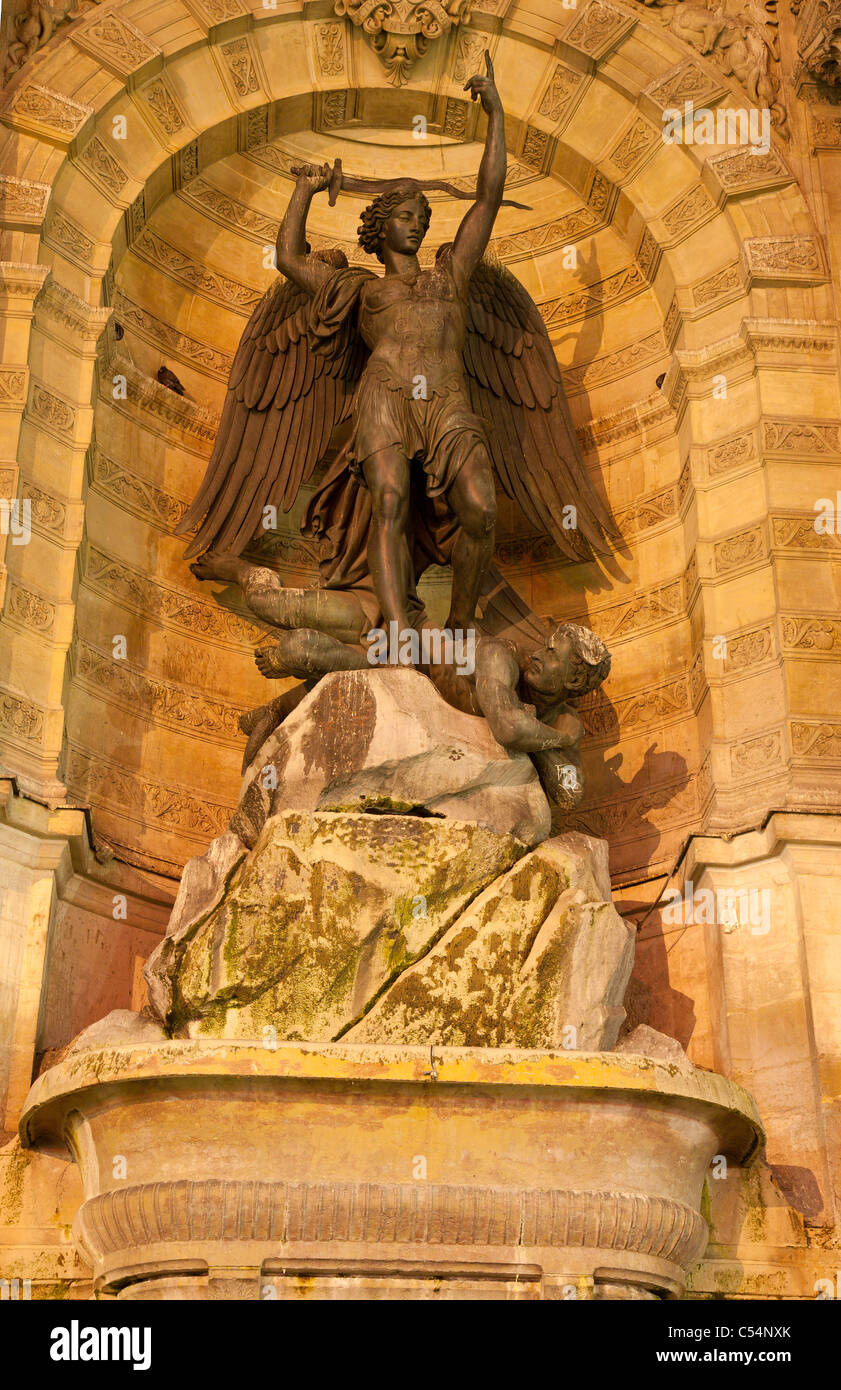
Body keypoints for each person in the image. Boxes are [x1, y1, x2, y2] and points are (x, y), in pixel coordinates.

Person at [272, 53, 506, 640]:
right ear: (382, 228)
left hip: (447, 397)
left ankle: (458, 625)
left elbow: (489, 197)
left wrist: (497, 115)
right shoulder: (360, 290)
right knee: (391, 501)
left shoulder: (451, 273)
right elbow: (289, 259)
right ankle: (397, 632)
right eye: (406, 216)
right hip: (385, 394)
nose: (418, 224)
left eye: (423, 215)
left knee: (482, 506)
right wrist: (303, 189)